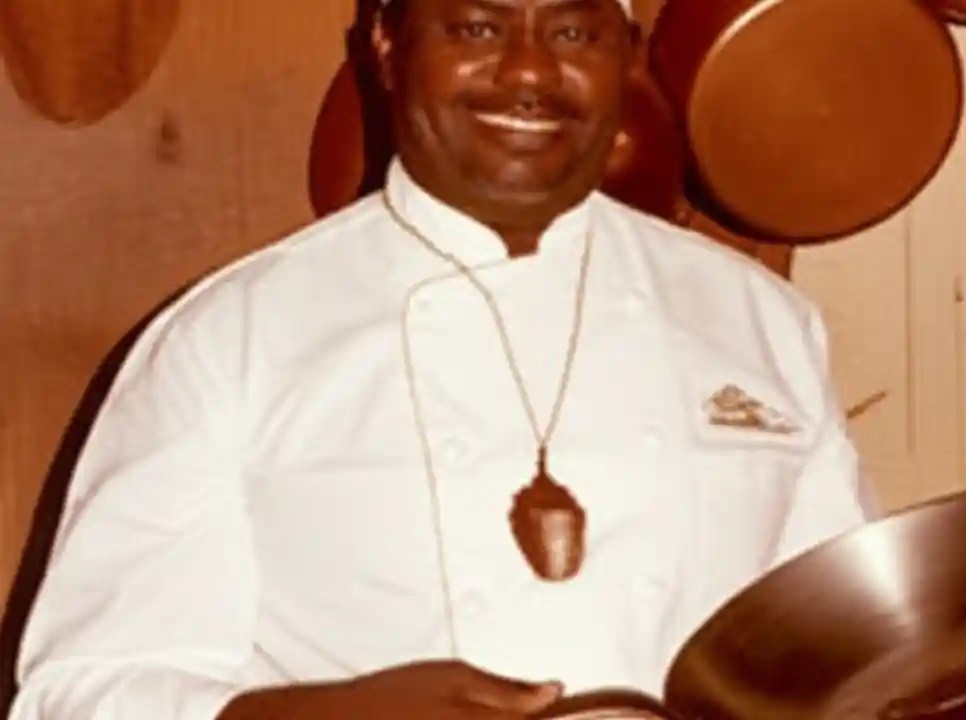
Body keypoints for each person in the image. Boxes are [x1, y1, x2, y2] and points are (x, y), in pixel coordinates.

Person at [8, 0, 874, 716]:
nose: (529, 73)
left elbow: (855, 663)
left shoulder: (758, 322)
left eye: (574, 32)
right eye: (477, 28)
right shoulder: (233, 339)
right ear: (387, 46)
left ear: (630, 55)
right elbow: (75, 697)